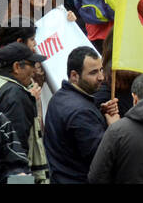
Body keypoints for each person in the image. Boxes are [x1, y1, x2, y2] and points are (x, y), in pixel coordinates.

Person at [43, 46, 118, 183]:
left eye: (101, 70)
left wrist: (99, 114)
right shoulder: (81, 112)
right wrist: (115, 128)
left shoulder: (58, 98)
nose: (101, 77)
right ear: (74, 76)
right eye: (93, 72)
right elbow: (103, 159)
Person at [0, 43, 47, 182]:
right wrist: (23, 181)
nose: (34, 70)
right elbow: (17, 153)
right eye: (31, 64)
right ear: (16, 67)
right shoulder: (17, 97)